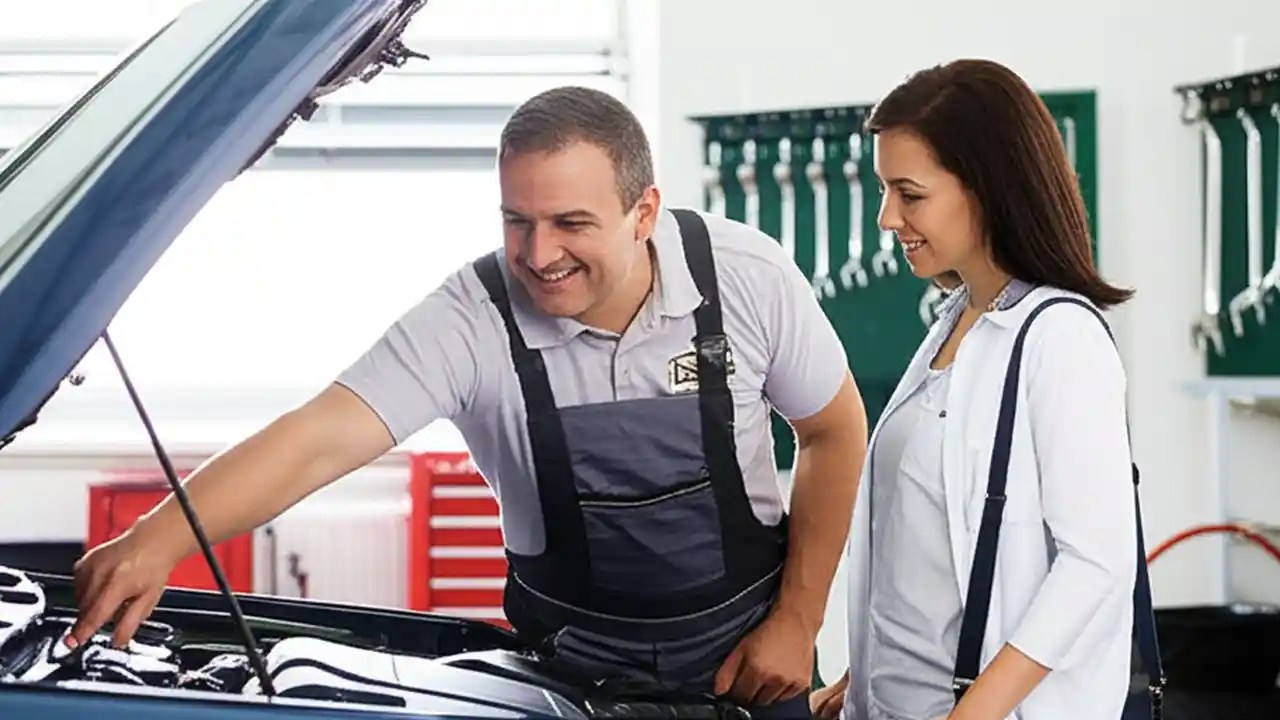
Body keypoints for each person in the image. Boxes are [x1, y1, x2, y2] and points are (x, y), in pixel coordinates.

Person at [68, 85, 869, 718]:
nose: (538, 254)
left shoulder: (746, 277)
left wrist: (798, 621)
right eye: (516, 221)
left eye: (570, 223)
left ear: (644, 213)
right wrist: (160, 536)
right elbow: (318, 437)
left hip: (754, 671)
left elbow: (833, 432)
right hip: (568, 677)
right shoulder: (471, 319)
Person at [810, 60, 1140, 720]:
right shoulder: (954, 320)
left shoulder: (1059, 338)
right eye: (884, 191)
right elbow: (922, 547)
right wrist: (862, 680)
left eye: (909, 193)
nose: (886, 218)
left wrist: (972, 714)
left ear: (987, 189)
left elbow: (1094, 568)